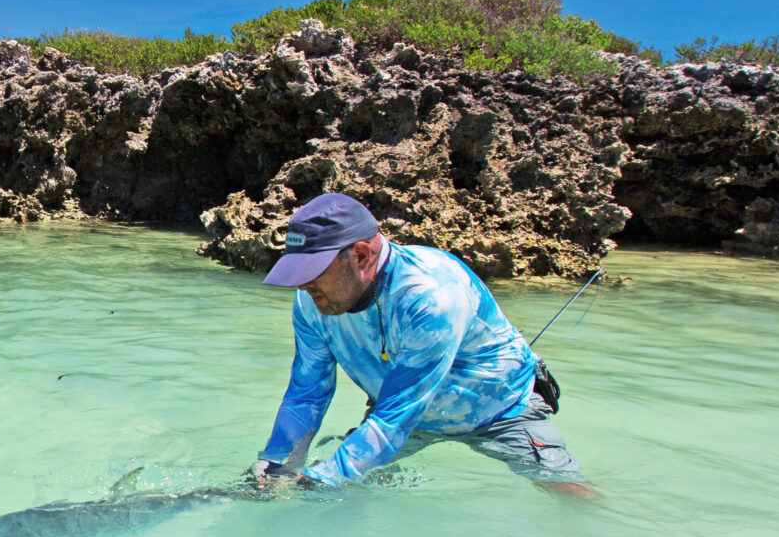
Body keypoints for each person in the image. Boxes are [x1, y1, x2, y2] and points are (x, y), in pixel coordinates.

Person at [248, 192, 595, 497]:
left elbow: (392, 422)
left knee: (564, 487)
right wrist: (277, 464)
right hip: (403, 412)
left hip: (500, 409)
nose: (302, 282)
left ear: (360, 254)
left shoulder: (432, 295)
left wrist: (313, 482)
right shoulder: (311, 299)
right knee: (348, 490)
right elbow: (307, 393)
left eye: (313, 269)